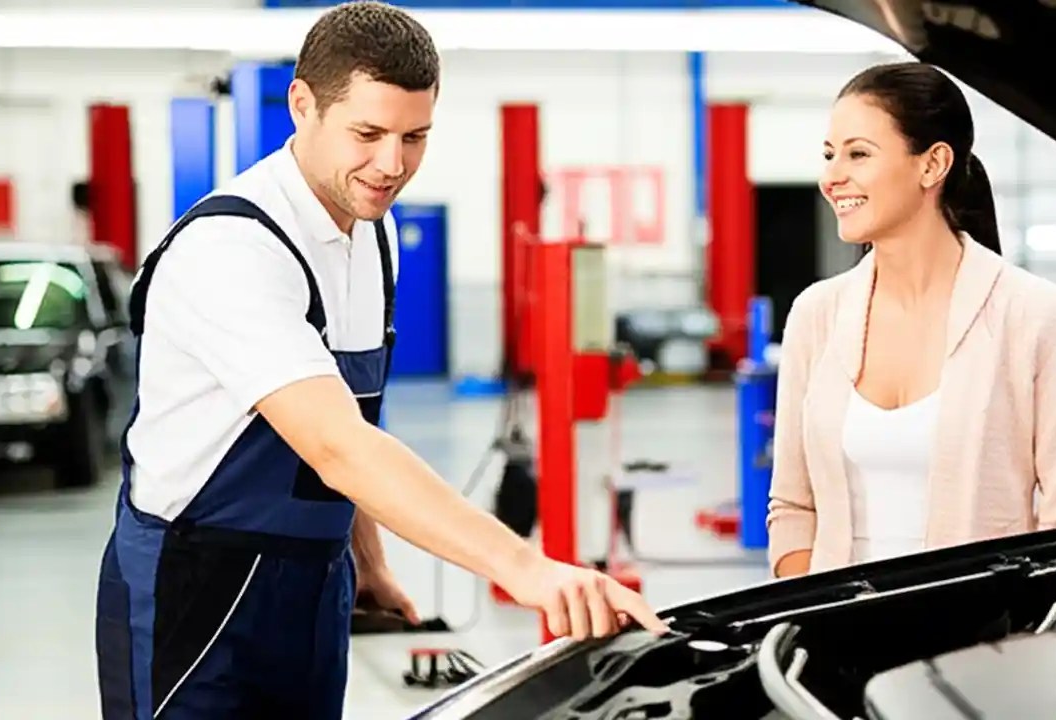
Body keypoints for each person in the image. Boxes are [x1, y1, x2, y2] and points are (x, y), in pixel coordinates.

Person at [93, 2, 667, 718]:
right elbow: (337, 448)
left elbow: (349, 416)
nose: (392, 165)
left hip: (314, 583)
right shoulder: (232, 251)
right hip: (195, 592)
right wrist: (525, 567)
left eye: (415, 137)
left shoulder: (374, 234)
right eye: (367, 133)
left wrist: (366, 559)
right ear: (302, 105)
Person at [765, 61, 1056, 579]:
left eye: (858, 154)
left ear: (932, 165)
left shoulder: (1033, 314)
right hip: (838, 642)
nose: (832, 177)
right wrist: (815, 617)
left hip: (987, 645)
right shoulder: (817, 315)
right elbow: (793, 509)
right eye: (830, 155)